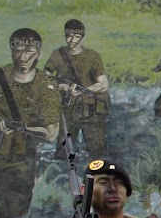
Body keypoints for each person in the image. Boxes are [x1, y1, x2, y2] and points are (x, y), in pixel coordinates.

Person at [0, 28, 62, 218]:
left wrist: (23, 128)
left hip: (21, 163)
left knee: (14, 216)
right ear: (11, 51)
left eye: (29, 52)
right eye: (18, 51)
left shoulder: (47, 86)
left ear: (39, 54)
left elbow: (51, 134)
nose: (23, 57)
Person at [44, 18, 111, 156]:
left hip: (91, 109)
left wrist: (82, 91)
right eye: (69, 36)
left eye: (77, 36)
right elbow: (45, 80)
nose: (73, 40)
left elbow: (103, 84)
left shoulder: (92, 56)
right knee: (63, 152)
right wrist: (60, 87)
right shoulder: (57, 55)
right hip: (68, 109)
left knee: (97, 151)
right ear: (65, 36)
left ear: (83, 37)